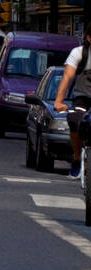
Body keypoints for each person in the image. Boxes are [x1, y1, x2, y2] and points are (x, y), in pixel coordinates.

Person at [54, 20, 91, 179]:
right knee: (74, 119)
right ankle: (77, 159)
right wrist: (58, 101)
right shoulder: (79, 53)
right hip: (83, 97)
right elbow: (67, 76)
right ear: (89, 38)